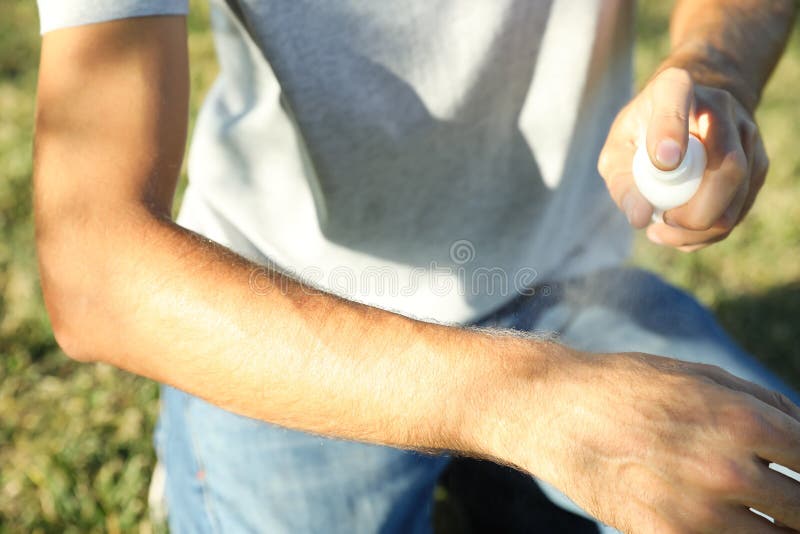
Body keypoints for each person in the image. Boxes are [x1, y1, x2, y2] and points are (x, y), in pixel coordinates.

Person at [32, 0, 800, 532]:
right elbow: (96, 265)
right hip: (293, 324)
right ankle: (205, 437)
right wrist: (529, 404)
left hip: (563, 277)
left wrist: (715, 72)